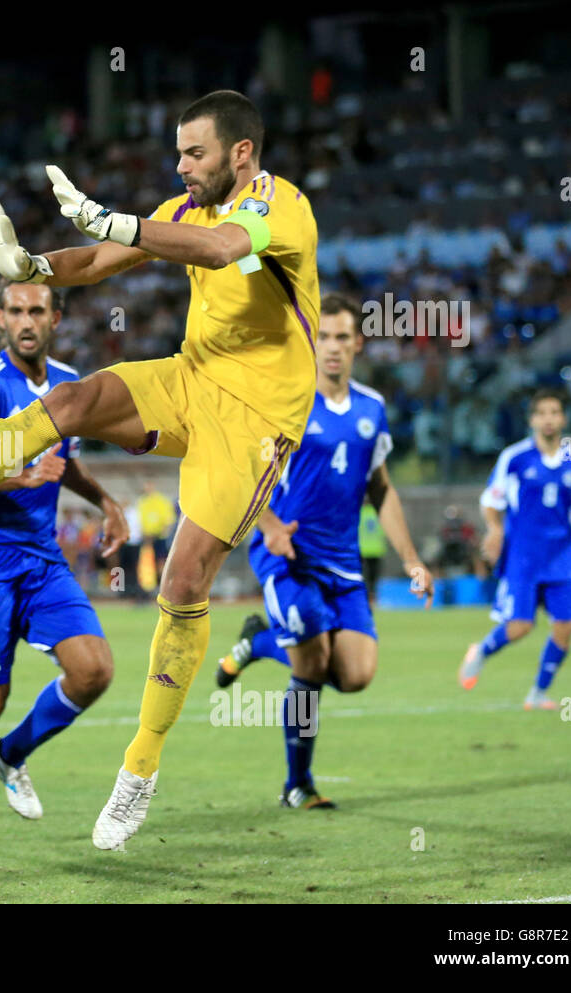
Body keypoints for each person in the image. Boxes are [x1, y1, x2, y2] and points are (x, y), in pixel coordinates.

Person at [0, 90, 319, 849]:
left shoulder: (281, 209)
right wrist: (34, 264)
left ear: (241, 154)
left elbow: (226, 248)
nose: (181, 165)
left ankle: (139, 767)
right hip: (194, 378)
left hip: (258, 421)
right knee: (73, 397)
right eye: (178, 153)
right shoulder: (186, 208)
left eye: (195, 153)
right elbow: (96, 259)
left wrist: (117, 220)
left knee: (183, 579)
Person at [0, 280, 127, 850]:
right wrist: (19, 474)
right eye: (15, 311)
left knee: (93, 671)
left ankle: (9, 755)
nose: (26, 320)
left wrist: (107, 502)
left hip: (40, 553)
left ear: (56, 318)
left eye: (37, 310)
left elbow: (67, 462)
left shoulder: (68, 385)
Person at [213, 294, 433, 808]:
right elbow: (243, 471)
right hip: (287, 556)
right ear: (310, 342)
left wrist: (413, 560)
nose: (331, 348)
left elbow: (381, 488)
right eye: (323, 337)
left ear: (357, 342)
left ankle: (258, 644)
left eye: (341, 337)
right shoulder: (285, 402)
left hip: (344, 563)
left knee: (355, 676)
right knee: (311, 663)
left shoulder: (371, 408)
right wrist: (268, 526)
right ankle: (298, 784)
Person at [459, 389, 571, 708]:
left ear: (563, 418)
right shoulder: (515, 457)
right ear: (532, 420)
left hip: (563, 555)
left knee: (565, 627)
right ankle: (481, 651)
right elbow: (491, 502)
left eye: (555, 412)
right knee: (520, 626)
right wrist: (495, 530)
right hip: (523, 555)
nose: (549, 419)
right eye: (542, 413)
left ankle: (538, 694)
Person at [136, 480, 175, 584]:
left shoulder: (161, 501)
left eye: (150, 485)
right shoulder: (142, 502)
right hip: (146, 538)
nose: (148, 488)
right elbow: (140, 520)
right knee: (147, 563)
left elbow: (168, 520)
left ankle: (162, 584)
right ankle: (148, 585)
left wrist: (159, 532)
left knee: (161, 562)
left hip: (159, 537)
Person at [358, 503, 385, 601]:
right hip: (377, 550)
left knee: (364, 577)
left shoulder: (359, 513)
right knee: (374, 577)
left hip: (363, 550)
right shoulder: (378, 513)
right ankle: (373, 598)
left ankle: (365, 598)